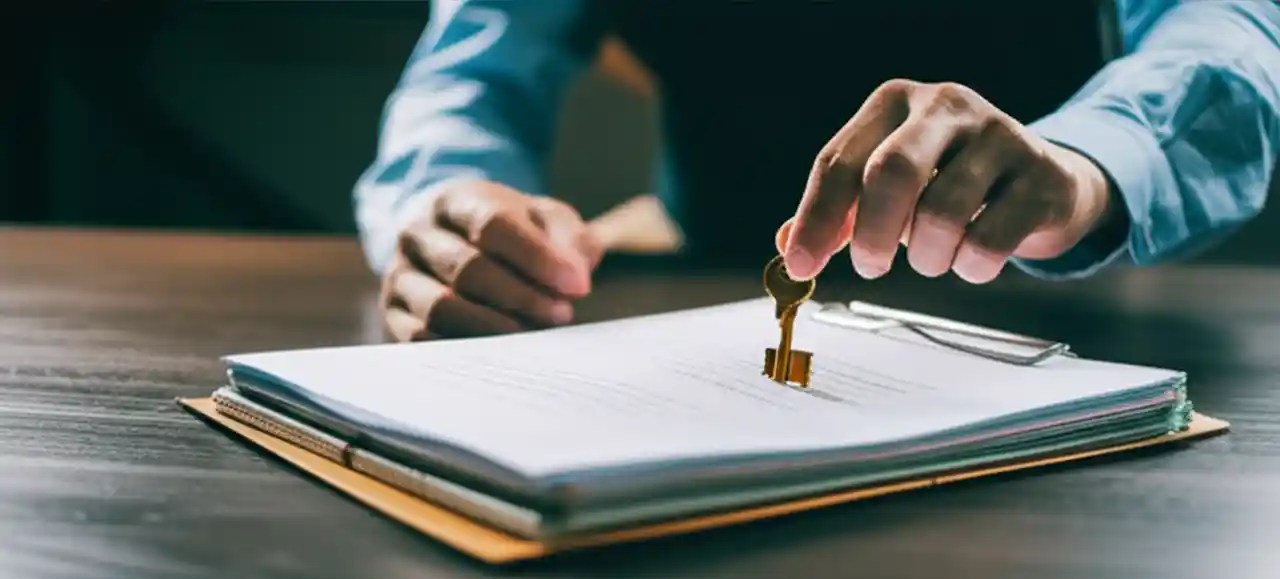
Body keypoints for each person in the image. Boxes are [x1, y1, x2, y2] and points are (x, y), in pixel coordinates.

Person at [354, 1, 1280, 342]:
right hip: (704, 305)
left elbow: (1233, 32)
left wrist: (1082, 163)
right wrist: (449, 199)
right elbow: (469, 73)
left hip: (1061, 319)